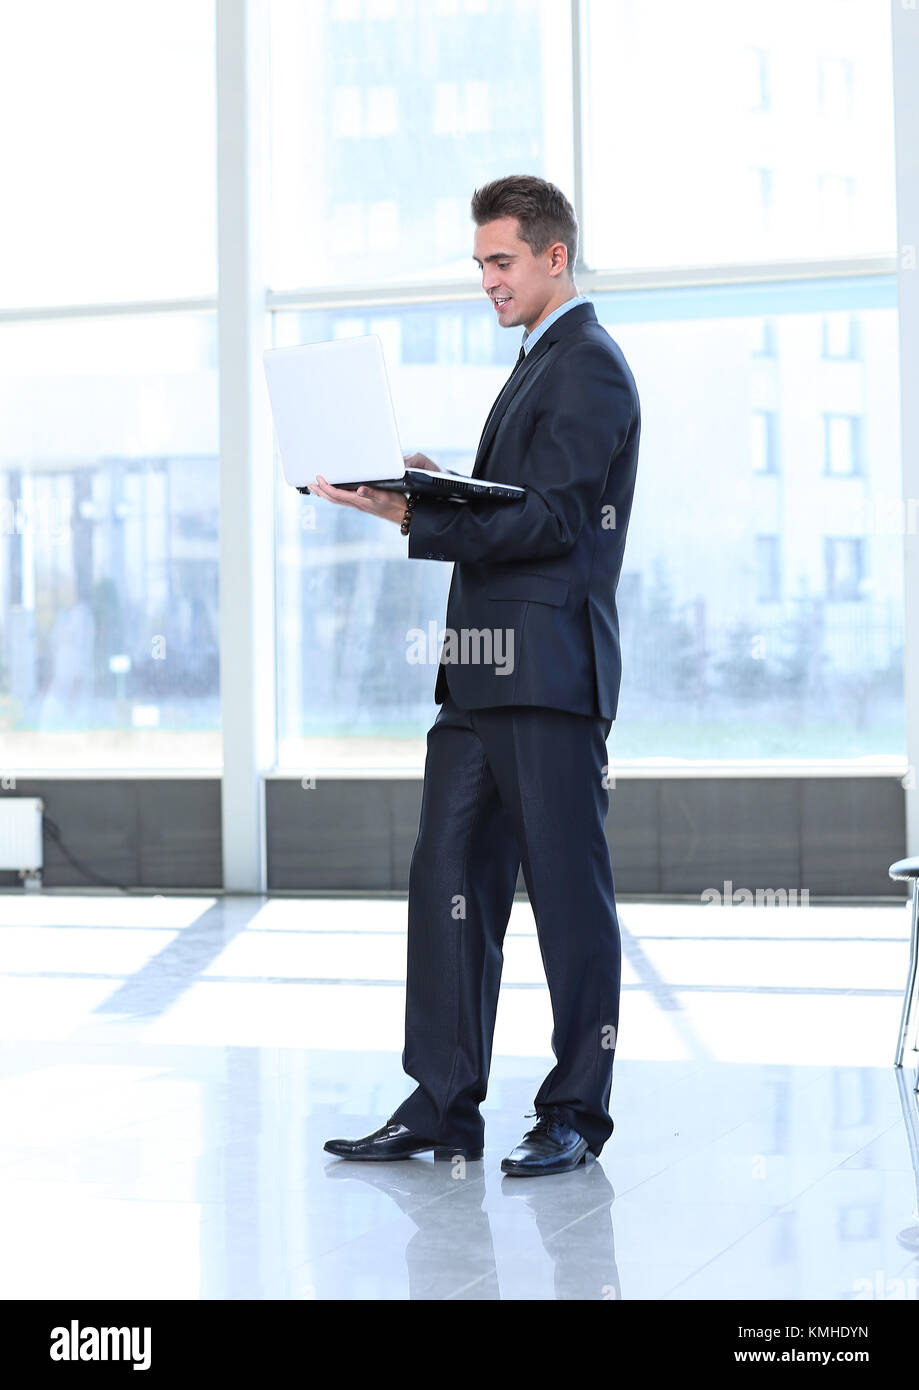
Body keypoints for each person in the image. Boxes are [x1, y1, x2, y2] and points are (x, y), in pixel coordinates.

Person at [312, 175, 640, 1176]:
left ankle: (577, 1109)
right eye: (480, 264)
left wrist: (419, 513)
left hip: (546, 675)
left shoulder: (588, 367)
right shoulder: (539, 364)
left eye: (502, 261)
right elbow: (517, 498)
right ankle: (442, 1102)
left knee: (568, 897)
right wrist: (432, 481)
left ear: (554, 256)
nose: (488, 281)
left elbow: (548, 522)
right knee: (448, 879)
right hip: (479, 674)